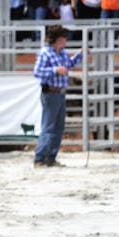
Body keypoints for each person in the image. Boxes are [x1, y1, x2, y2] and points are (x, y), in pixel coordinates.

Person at [32, 25, 83, 168]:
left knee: (58, 127)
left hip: (60, 93)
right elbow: (37, 72)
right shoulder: (45, 53)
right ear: (58, 39)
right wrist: (55, 70)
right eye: (64, 37)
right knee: (48, 126)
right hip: (50, 92)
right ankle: (40, 158)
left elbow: (69, 64)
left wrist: (79, 55)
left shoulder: (62, 53)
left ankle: (50, 157)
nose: (66, 39)